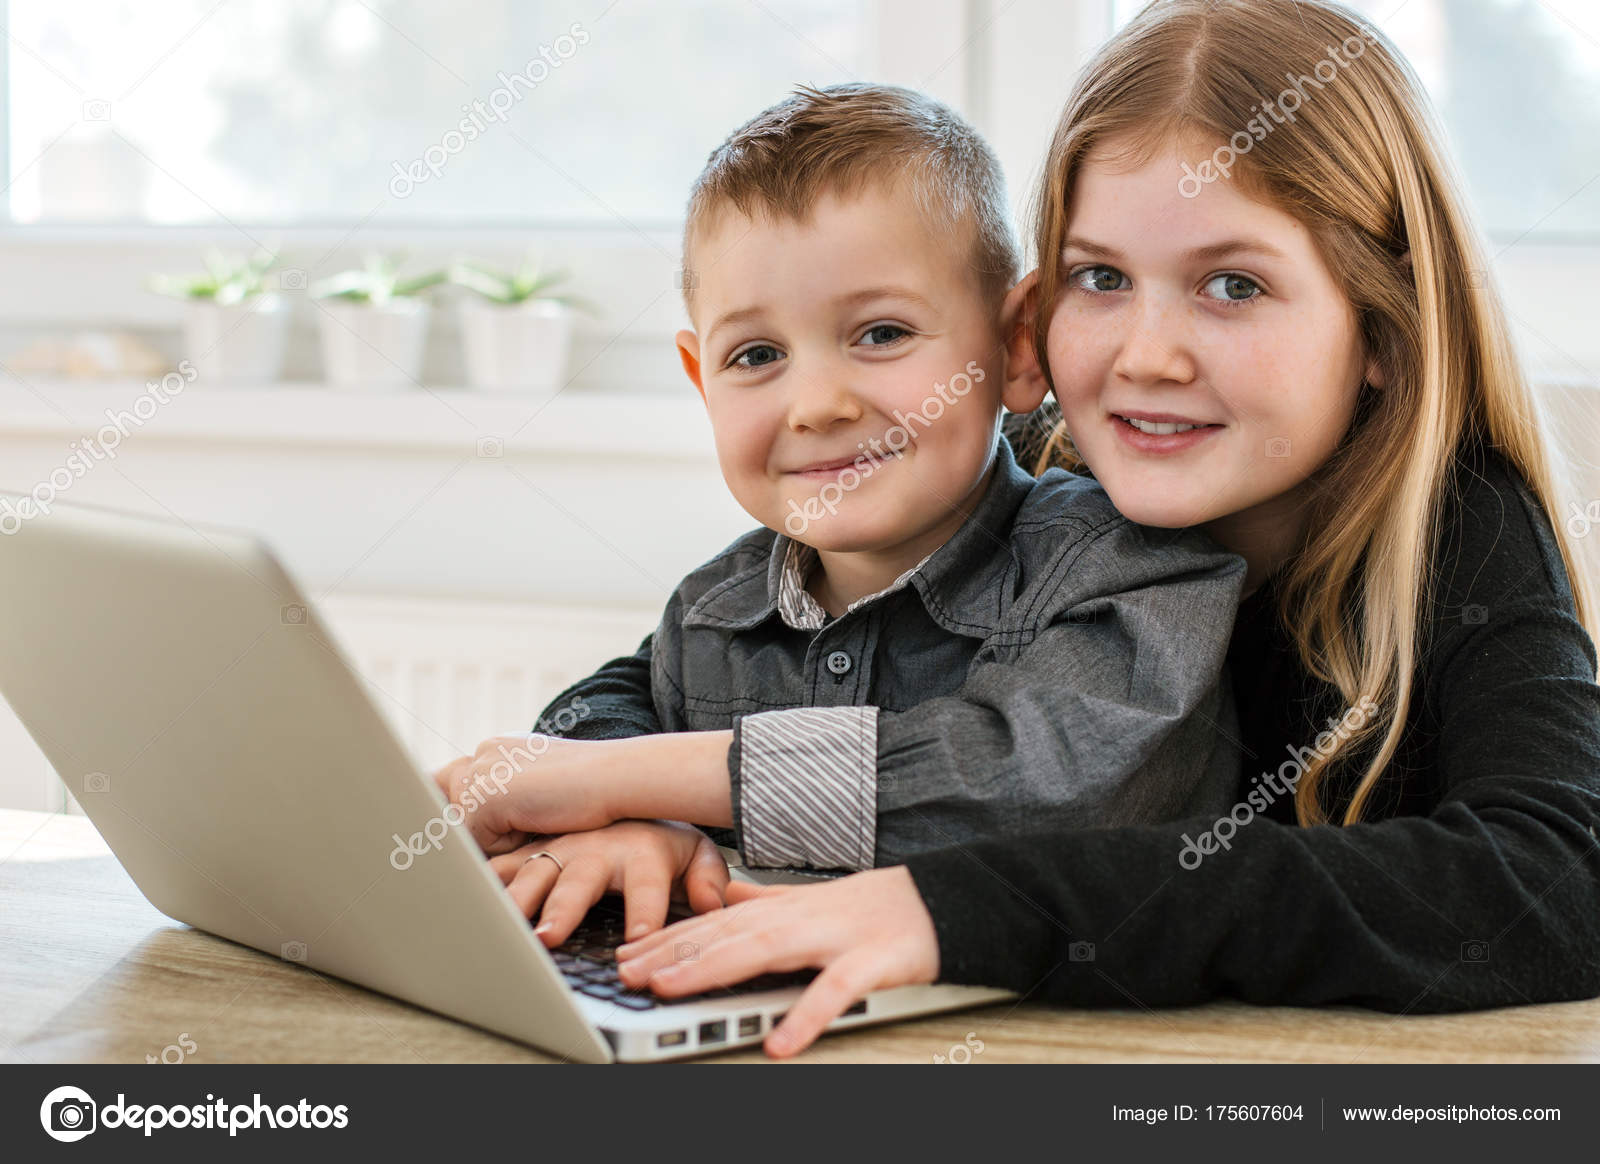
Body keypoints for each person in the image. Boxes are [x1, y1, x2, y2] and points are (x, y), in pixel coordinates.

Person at [606, 0, 1600, 1058]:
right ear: (1034, 324)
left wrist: (962, 907)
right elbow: (662, 670)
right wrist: (627, 809)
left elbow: (1556, 883)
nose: (1145, 356)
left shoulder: (1462, 530)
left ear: (1383, 331)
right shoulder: (1036, 460)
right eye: (1101, 278)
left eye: (1232, 285)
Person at [432, 82, 1251, 943]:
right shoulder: (714, 612)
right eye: (755, 355)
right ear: (701, 383)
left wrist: (624, 779)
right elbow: (601, 719)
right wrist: (636, 819)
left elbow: (1034, 793)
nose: (817, 404)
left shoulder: (1135, 570)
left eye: (882, 334)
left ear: (1017, 345)